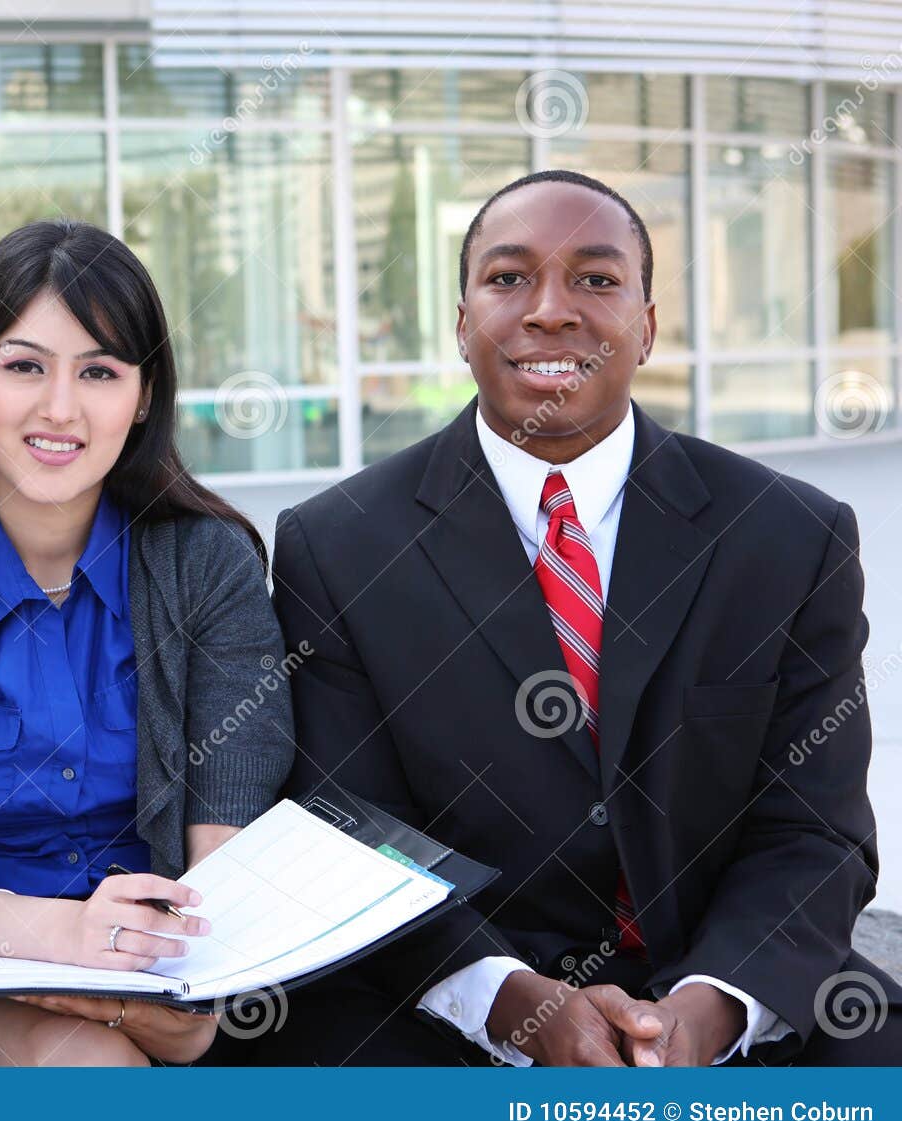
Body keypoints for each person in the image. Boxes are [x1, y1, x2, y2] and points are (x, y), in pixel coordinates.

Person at [260, 170, 901, 1066]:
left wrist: (711, 1009)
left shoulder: (791, 535)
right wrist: (514, 1005)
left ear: (646, 324)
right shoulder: (338, 545)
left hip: (725, 983)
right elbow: (354, 830)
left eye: (596, 279)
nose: (551, 310)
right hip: (454, 1000)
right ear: (462, 322)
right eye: (509, 277)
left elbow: (817, 827)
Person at [0, 219, 293, 1066]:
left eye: (100, 371)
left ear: (143, 398)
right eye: (24, 364)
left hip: (185, 973)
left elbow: (229, 834)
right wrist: (63, 939)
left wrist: (163, 978)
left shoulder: (208, 567)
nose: (60, 408)